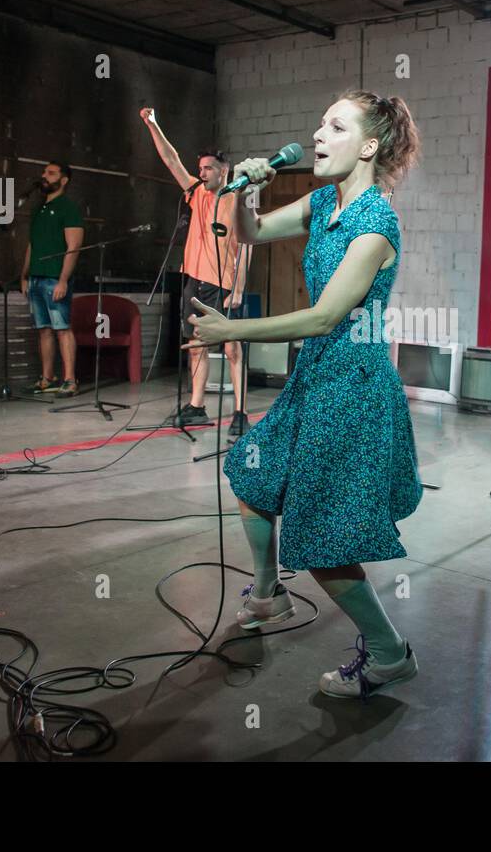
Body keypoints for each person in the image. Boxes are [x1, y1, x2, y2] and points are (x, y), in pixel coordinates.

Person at [184, 90, 424, 699]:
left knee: (323, 539)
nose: (318, 133)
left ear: (368, 146)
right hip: (314, 378)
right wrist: (244, 188)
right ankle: (269, 598)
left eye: (335, 126)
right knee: (251, 474)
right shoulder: (322, 203)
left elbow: (324, 317)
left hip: (352, 388)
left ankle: (391, 654)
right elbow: (251, 232)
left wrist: (227, 330)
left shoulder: (376, 222)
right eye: (319, 122)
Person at [141, 108, 251, 436]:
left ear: (224, 171)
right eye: (200, 168)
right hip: (193, 280)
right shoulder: (194, 193)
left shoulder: (237, 201)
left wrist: (240, 288)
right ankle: (197, 406)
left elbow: (247, 249)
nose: (202, 173)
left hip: (223, 283)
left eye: (208, 169)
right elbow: (170, 158)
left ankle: (241, 412)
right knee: (196, 345)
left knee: (231, 347)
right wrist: (152, 123)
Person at [21, 161, 83, 398]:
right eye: (44, 172)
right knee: (43, 330)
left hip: (54, 279)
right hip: (36, 278)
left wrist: (63, 280)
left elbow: (74, 246)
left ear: (64, 180)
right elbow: (32, 245)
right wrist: (24, 276)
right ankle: (47, 378)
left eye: (51, 173)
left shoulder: (68, 208)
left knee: (62, 328)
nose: (44, 176)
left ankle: (70, 380)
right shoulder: (39, 209)